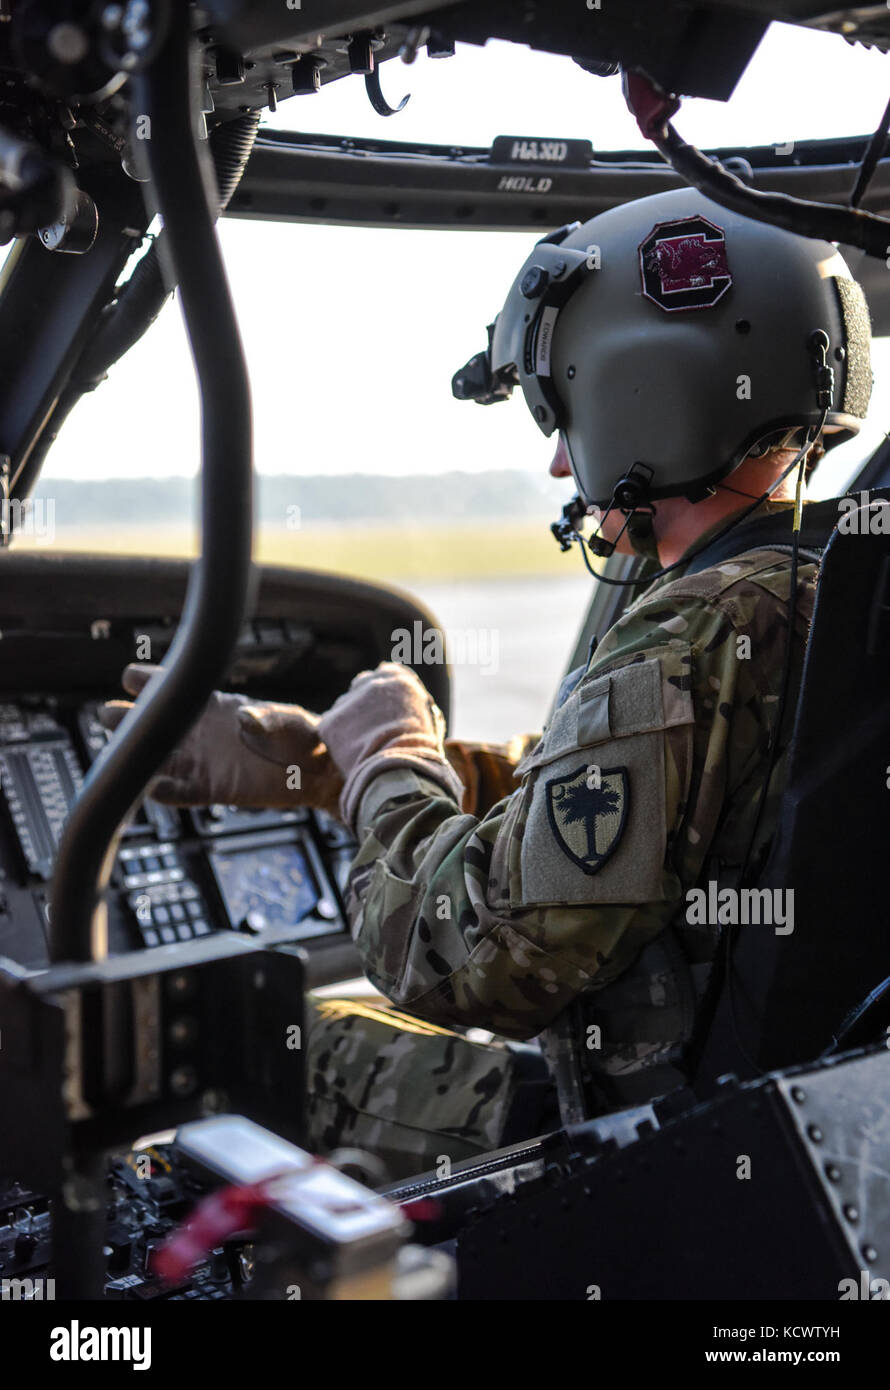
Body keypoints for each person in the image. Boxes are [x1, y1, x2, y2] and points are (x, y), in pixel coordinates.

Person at [102, 188, 873, 1180]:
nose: (559, 459)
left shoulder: (699, 626)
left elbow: (470, 960)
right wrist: (325, 773)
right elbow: (621, 810)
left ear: (642, 390)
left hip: (664, 1152)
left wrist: (386, 754)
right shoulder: (822, 601)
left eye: (565, 411)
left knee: (276, 1046)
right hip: (800, 1126)